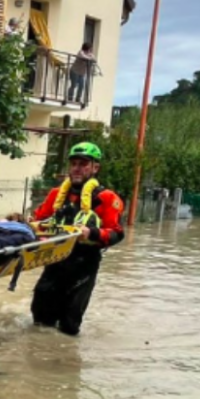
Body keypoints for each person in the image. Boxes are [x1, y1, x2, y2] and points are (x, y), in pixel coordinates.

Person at [27, 141, 124, 336]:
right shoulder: (56, 194)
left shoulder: (106, 198)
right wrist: (24, 223)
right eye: (74, 164)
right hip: (55, 260)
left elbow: (117, 233)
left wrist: (92, 233)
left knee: (69, 325)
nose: (77, 169)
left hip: (84, 264)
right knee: (40, 318)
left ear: (95, 167)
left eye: (83, 164)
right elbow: (39, 220)